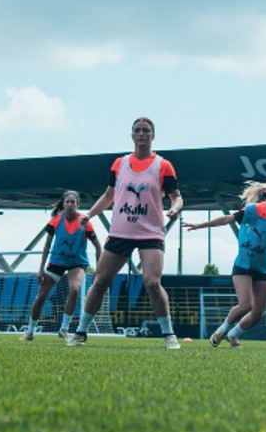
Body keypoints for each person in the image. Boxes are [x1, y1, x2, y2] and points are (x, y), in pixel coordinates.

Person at [67, 117, 184, 349]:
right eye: (138, 130)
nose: (142, 134)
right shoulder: (119, 164)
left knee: (152, 283)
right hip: (121, 231)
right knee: (100, 281)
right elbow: (108, 195)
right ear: (132, 135)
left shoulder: (163, 165)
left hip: (151, 232)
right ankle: (80, 332)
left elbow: (177, 196)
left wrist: (175, 208)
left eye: (146, 131)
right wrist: (89, 214)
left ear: (153, 135)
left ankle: (169, 334)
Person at [187, 177, 266, 347]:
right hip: (243, 265)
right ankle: (221, 330)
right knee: (245, 305)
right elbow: (228, 219)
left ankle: (233, 335)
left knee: (258, 312)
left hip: (262, 268)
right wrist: (200, 225)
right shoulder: (253, 210)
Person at [24, 190, 98, 341]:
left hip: (77, 263)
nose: (70, 205)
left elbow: (98, 247)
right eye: (68, 202)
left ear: (78, 204)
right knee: (41, 297)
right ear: (64, 204)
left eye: (73, 202)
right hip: (56, 262)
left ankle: (64, 329)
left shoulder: (85, 223)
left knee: (75, 289)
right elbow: (46, 245)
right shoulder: (56, 221)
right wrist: (40, 270)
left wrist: (99, 271)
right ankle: (30, 331)